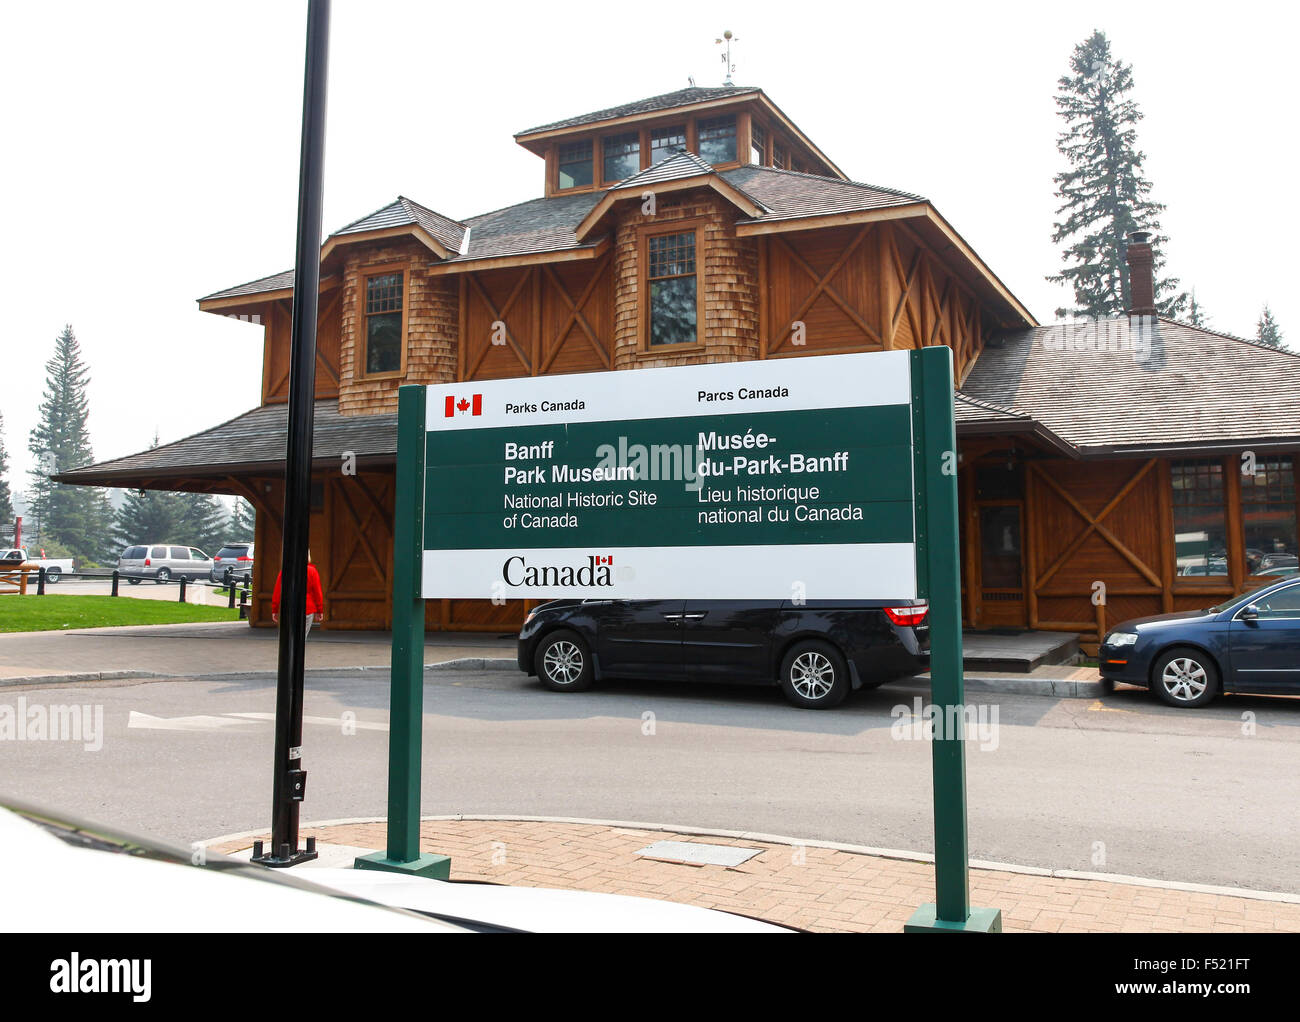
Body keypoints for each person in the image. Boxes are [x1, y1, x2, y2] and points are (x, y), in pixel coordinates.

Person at [271, 550, 324, 634]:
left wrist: (275, 609)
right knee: (302, 637)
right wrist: (320, 610)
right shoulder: (312, 571)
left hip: (290, 607)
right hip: (308, 607)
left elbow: (277, 591)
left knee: (290, 636)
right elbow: (317, 593)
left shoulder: (285, 570)